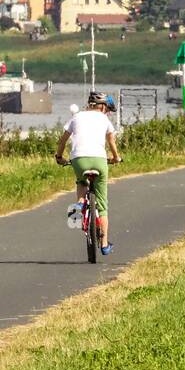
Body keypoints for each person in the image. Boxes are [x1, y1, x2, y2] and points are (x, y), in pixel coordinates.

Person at [55, 91, 123, 255]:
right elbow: (111, 141)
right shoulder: (104, 119)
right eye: (106, 108)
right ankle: (105, 244)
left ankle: (79, 205)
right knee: (102, 205)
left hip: (79, 159)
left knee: (81, 182)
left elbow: (63, 139)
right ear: (102, 107)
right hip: (99, 160)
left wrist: (59, 156)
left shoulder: (77, 117)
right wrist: (116, 157)